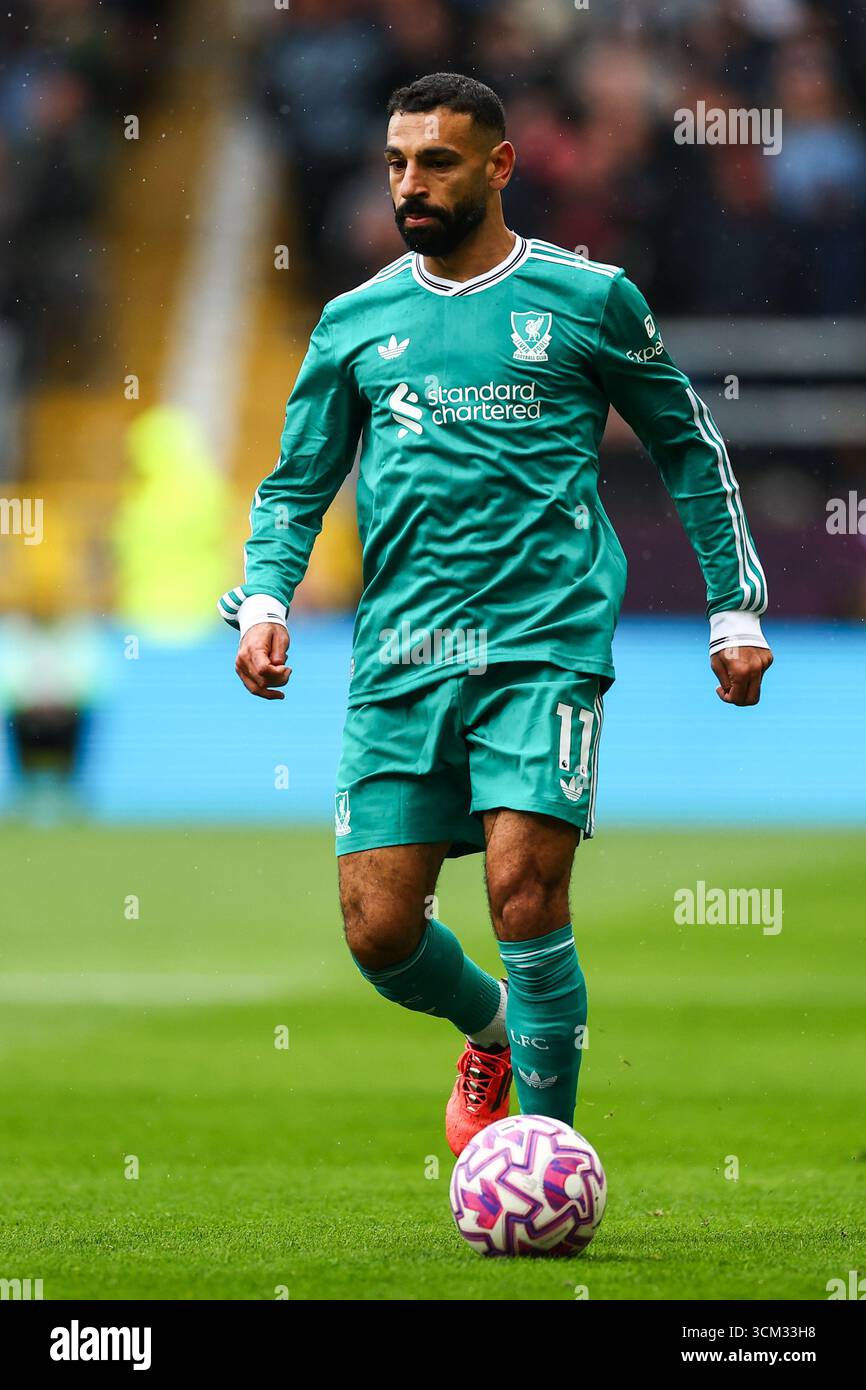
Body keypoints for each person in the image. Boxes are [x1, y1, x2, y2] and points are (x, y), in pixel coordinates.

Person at [219, 73, 773, 1156]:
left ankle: (547, 1153)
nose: (409, 185)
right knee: (379, 930)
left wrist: (732, 607)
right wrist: (265, 599)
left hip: (541, 643)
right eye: (395, 164)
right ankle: (491, 1032)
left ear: (498, 166)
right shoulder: (354, 323)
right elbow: (294, 485)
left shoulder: (589, 300)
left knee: (525, 887)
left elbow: (687, 451)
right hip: (401, 651)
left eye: (435, 162)